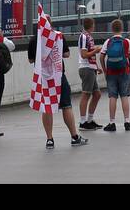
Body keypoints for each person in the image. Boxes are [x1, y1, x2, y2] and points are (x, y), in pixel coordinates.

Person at [30, 21, 88, 149]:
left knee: (47, 108)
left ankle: (49, 139)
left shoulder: (35, 39)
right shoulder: (58, 36)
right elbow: (66, 54)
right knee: (66, 106)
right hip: (58, 76)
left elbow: (30, 59)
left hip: (44, 79)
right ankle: (74, 137)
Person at [99, 18, 130, 131]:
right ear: (122, 28)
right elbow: (129, 55)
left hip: (111, 72)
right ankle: (127, 122)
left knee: (112, 97)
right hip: (124, 71)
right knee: (124, 96)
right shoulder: (126, 41)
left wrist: (105, 70)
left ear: (112, 29)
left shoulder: (108, 42)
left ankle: (112, 123)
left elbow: (101, 56)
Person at [77, 17, 104, 130]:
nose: (94, 26)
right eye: (93, 24)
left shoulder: (88, 37)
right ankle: (83, 122)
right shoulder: (84, 36)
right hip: (86, 68)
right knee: (86, 94)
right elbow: (84, 54)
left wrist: (96, 67)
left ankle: (89, 120)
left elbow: (89, 55)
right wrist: (96, 51)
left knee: (97, 94)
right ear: (91, 25)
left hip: (90, 68)